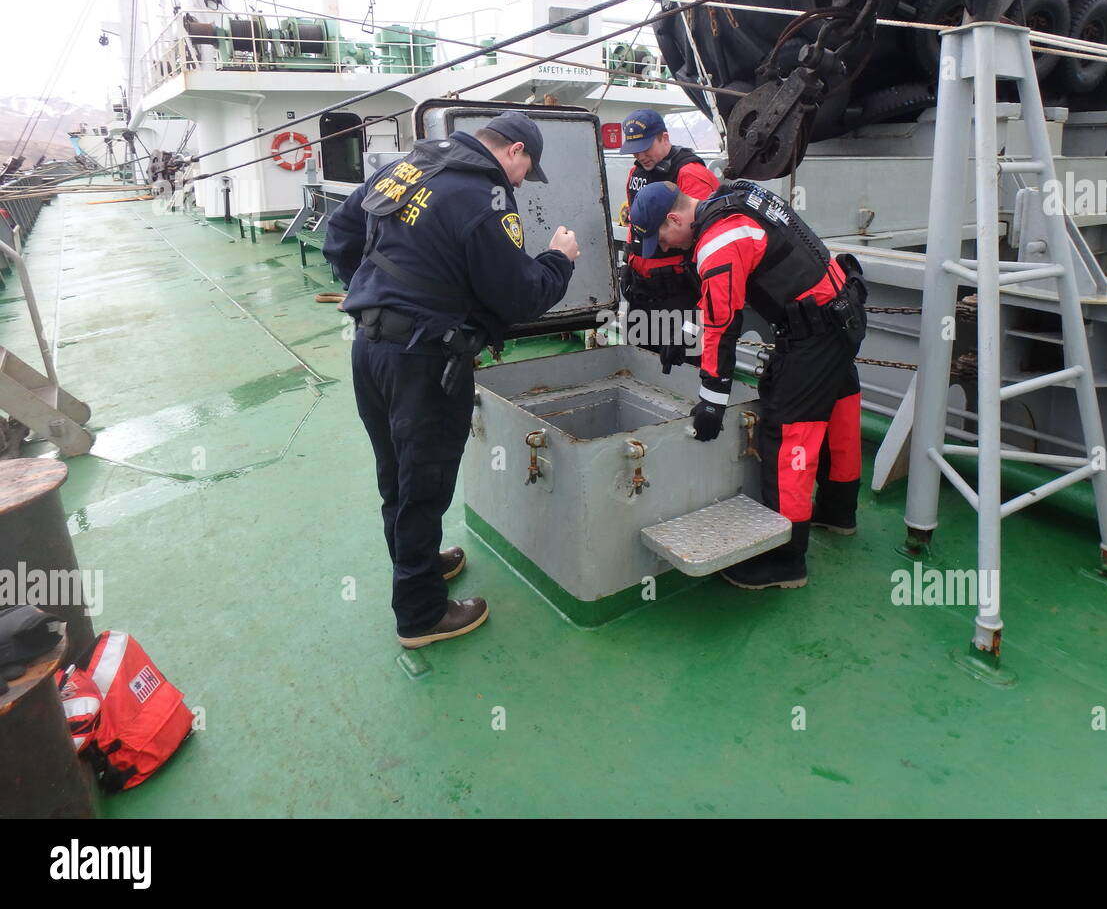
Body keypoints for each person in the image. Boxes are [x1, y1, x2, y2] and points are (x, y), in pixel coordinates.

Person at [324, 111, 580, 647]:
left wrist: (380, 297)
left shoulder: (409, 166)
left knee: (396, 472)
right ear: (513, 151)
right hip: (424, 364)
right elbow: (520, 297)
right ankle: (420, 615)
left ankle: (416, 564)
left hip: (370, 348)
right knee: (425, 482)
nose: (519, 183)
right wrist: (559, 259)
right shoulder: (481, 197)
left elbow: (342, 235)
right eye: (525, 171)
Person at [628, 178, 867, 590]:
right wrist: (679, 339)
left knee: (788, 433)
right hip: (841, 314)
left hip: (811, 334)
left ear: (674, 217)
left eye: (662, 238)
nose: (665, 247)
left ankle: (785, 559)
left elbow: (722, 323)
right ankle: (838, 511)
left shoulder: (717, 241)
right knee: (841, 408)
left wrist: (710, 403)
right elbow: (715, 301)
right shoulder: (732, 196)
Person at [617, 109, 718, 369]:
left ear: (664, 137)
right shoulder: (635, 173)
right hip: (641, 290)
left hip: (677, 293)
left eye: (645, 147)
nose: (640, 156)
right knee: (639, 364)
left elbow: (708, 239)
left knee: (681, 366)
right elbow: (636, 225)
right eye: (634, 150)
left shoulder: (691, 176)